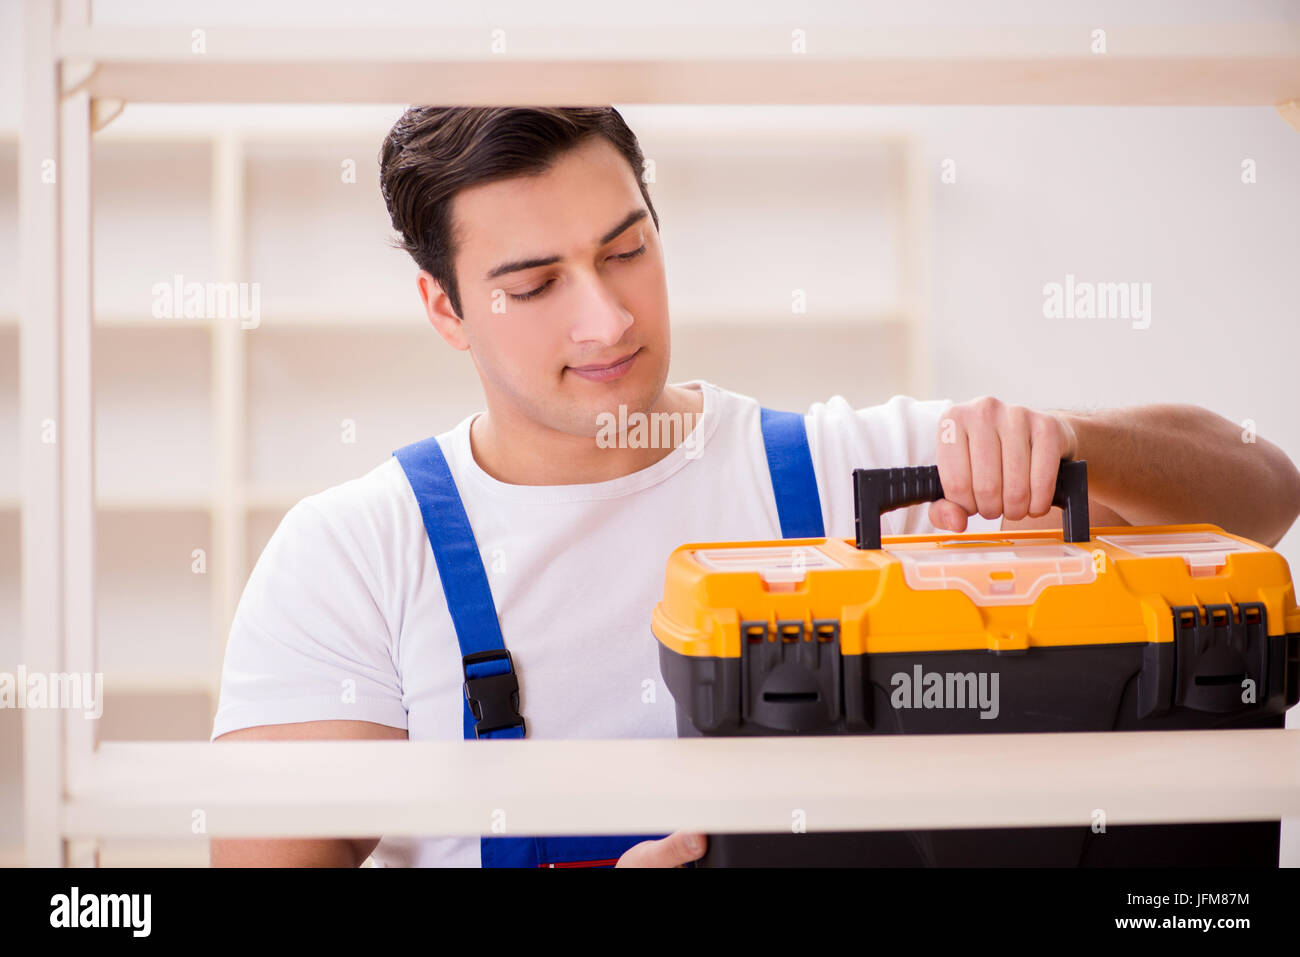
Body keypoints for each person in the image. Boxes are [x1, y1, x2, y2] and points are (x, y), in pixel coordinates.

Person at [209, 107, 1300, 868]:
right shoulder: (354, 556)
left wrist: (1070, 443)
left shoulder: (861, 471)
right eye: (534, 284)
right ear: (444, 310)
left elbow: (1262, 488)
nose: (608, 318)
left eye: (626, 250)